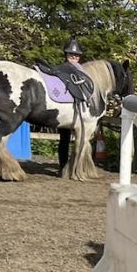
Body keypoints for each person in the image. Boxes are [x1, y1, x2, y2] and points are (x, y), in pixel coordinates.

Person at [56, 38, 87, 173]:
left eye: (76, 55)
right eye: (71, 54)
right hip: (65, 110)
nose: (74, 56)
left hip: (81, 110)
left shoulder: (84, 72)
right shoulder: (60, 70)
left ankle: (77, 166)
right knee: (64, 139)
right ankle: (63, 166)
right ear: (66, 54)